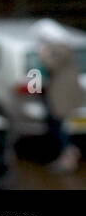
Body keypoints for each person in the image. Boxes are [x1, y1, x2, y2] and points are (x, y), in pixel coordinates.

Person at [32, 19, 84, 173]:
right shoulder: (60, 47)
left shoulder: (62, 48)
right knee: (57, 124)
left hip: (62, 95)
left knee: (60, 125)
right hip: (55, 94)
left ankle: (68, 155)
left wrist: (43, 54)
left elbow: (51, 65)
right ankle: (68, 152)